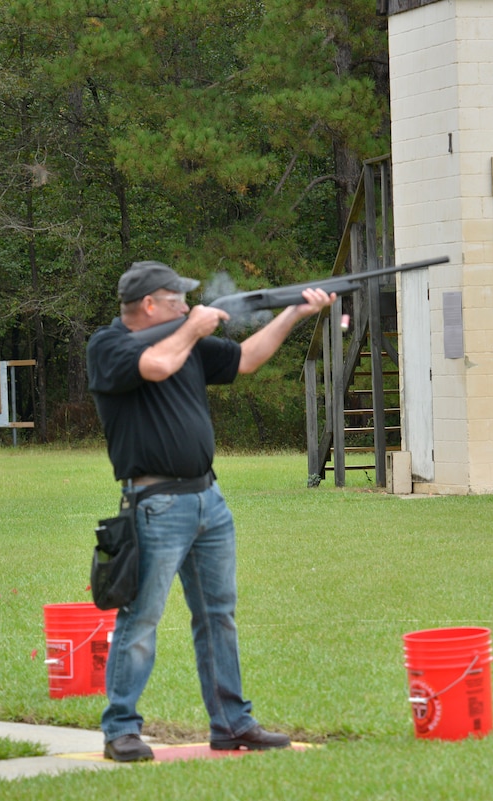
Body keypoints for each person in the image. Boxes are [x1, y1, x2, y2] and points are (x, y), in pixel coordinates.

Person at [86, 260, 335, 762]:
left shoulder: (187, 340)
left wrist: (294, 313)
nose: (186, 305)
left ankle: (232, 722)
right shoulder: (109, 346)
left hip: (208, 499)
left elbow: (246, 359)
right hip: (156, 504)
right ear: (149, 304)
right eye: (176, 299)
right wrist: (194, 327)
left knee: (218, 616)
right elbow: (156, 366)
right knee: (142, 618)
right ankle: (121, 730)